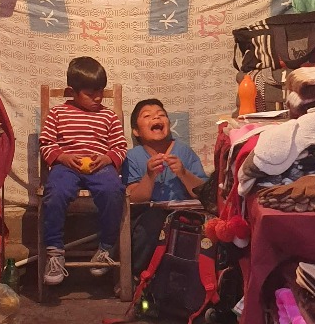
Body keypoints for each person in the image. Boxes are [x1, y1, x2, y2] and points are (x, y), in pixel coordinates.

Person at [39, 56, 128, 287]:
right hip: (66, 167)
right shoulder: (58, 114)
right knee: (55, 192)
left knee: (113, 191)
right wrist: (63, 157)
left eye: (101, 91)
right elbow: (46, 143)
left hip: (100, 167)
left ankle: (106, 247)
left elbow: (119, 146)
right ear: (72, 91)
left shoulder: (108, 116)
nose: (97, 98)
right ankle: (55, 251)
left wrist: (107, 158)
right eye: (90, 94)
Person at [122, 98, 208, 275]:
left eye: (161, 115)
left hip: (184, 214)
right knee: (152, 222)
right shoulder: (133, 156)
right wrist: (150, 175)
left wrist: (183, 173)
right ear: (136, 131)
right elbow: (134, 198)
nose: (156, 118)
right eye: (147, 116)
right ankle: (141, 275)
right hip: (147, 218)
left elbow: (202, 192)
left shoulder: (184, 151)